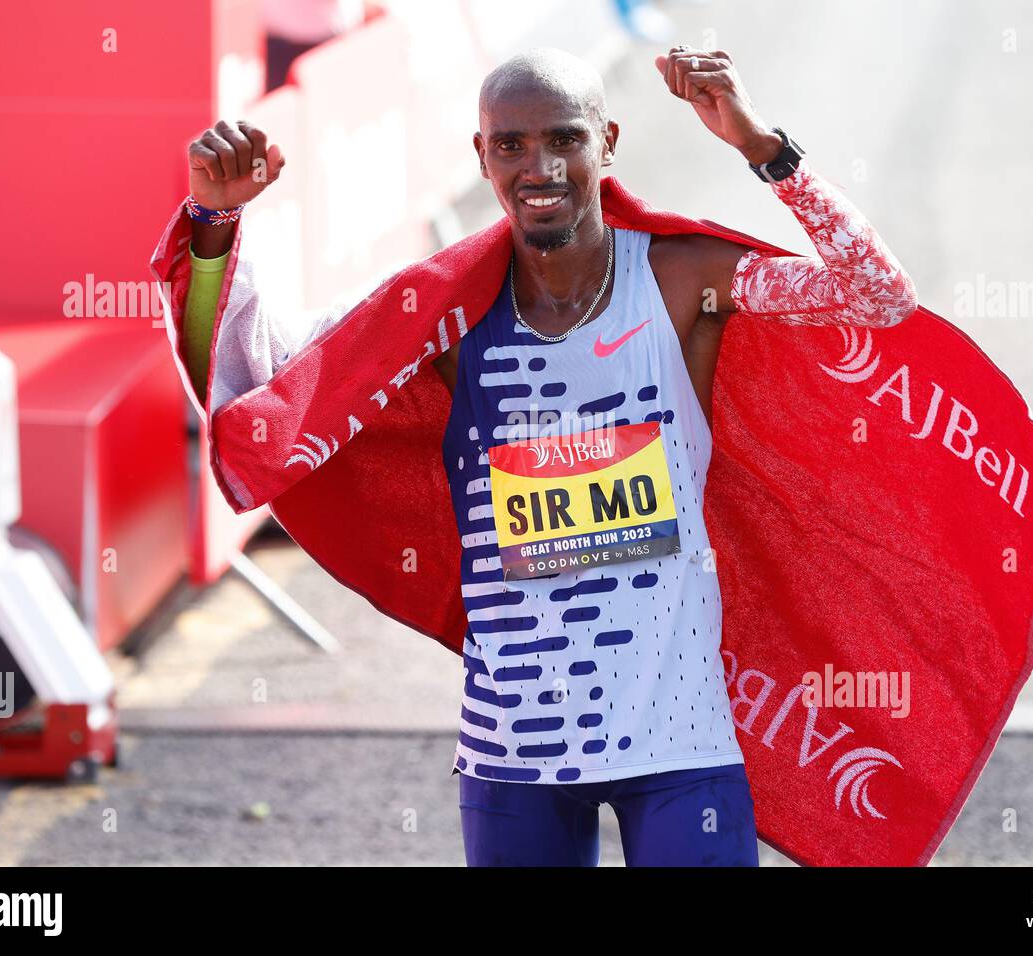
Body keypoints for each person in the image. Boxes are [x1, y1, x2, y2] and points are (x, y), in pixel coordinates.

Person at [179, 45, 917, 867]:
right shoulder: (444, 313)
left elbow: (877, 296)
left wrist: (759, 146)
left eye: (565, 139)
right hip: (516, 749)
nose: (541, 168)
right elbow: (262, 385)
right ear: (482, 156)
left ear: (607, 142)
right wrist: (213, 228)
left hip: (677, 740)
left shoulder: (680, 283)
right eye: (512, 145)